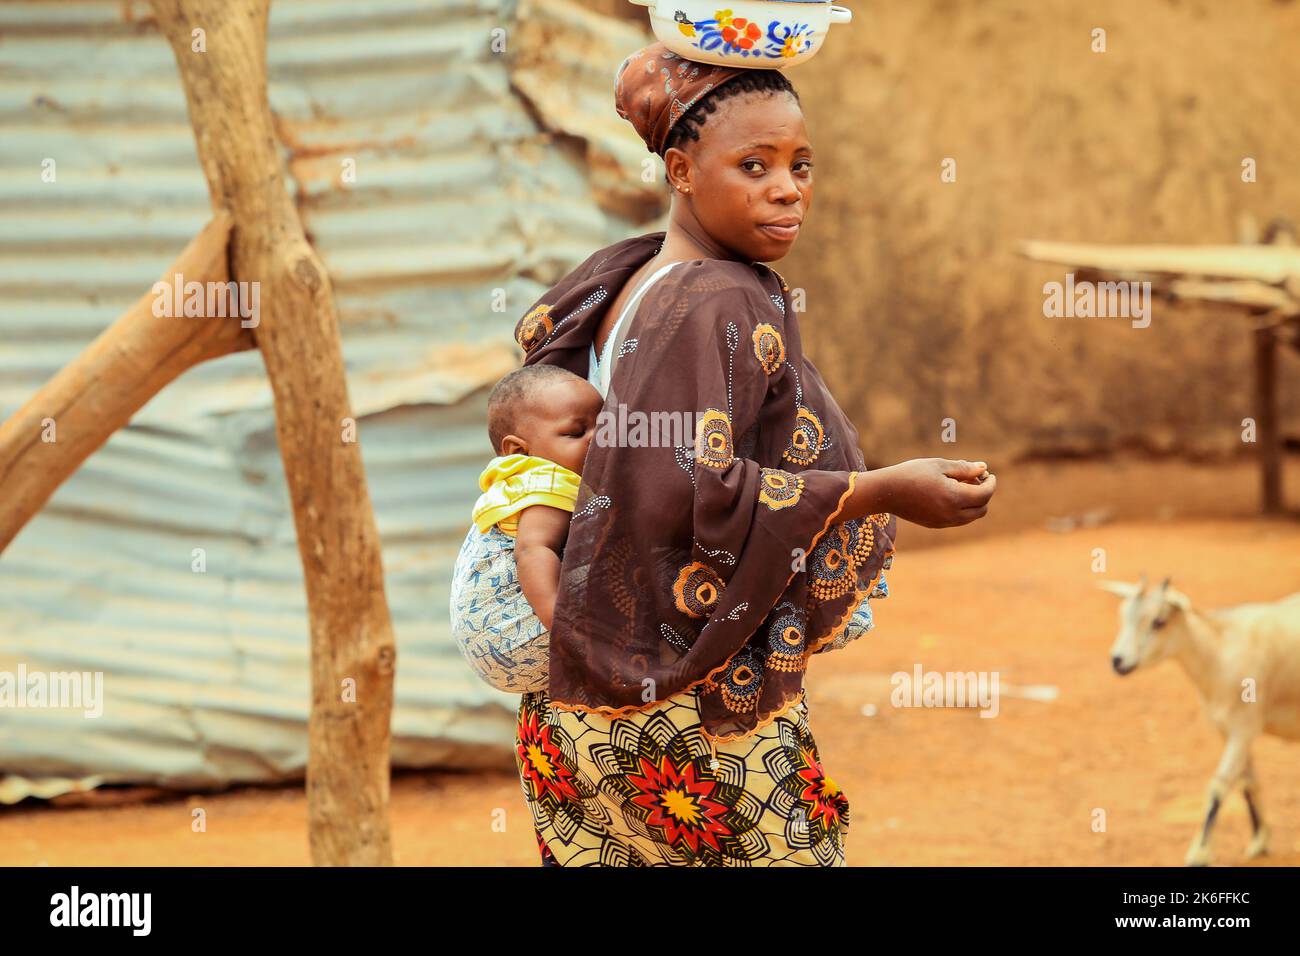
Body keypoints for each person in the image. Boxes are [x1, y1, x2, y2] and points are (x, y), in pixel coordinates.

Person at [509, 42, 997, 867]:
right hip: (688, 713)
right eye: (754, 164)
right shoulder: (716, 298)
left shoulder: (626, 280)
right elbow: (688, 490)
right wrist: (880, 489)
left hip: (572, 708)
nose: (787, 188)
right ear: (680, 170)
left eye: (801, 164)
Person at [449, 365, 603, 693]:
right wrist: (568, 633)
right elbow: (533, 551)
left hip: (493, 645)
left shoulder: (512, 483)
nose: (598, 438)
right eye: (577, 432)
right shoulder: (546, 482)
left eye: (604, 426)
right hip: (517, 633)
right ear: (519, 450)